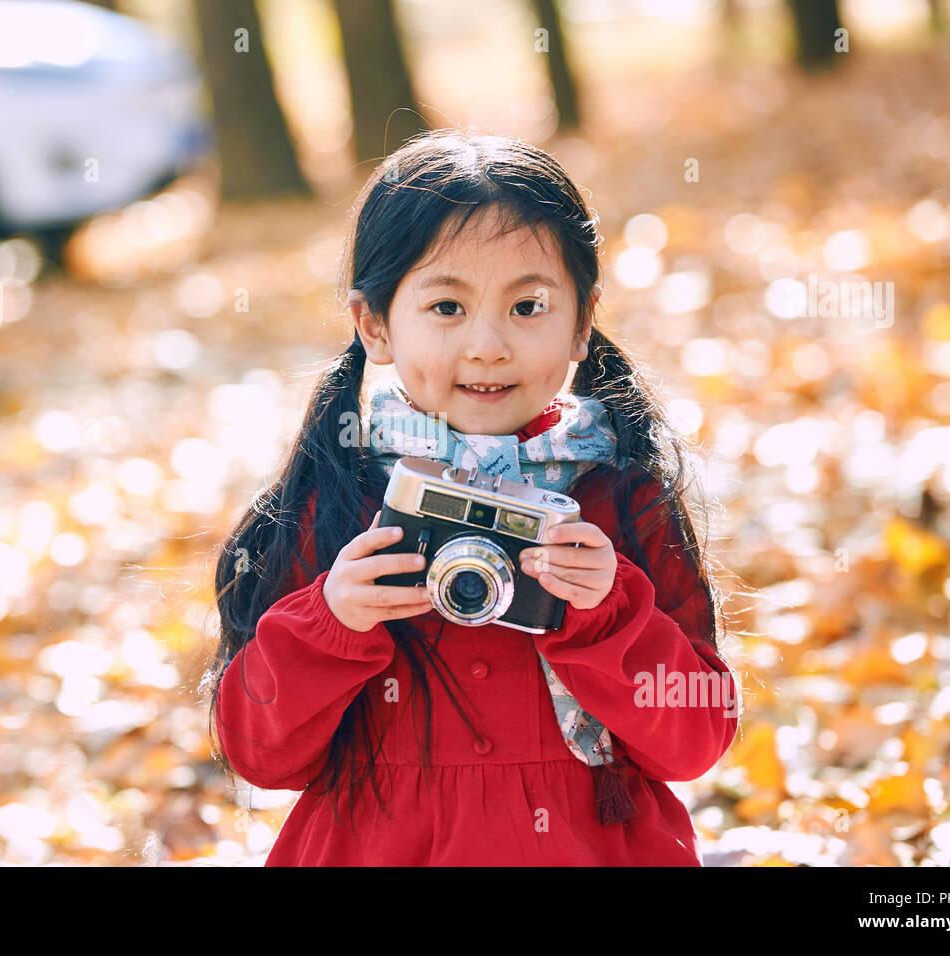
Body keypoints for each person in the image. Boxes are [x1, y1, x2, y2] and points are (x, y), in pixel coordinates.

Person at [204, 129, 740, 865]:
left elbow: (697, 739)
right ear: (375, 325)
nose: (488, 345)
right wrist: (331, 621)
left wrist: (607, 615)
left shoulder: (620, 499)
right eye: (447, 308)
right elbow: (259, 755)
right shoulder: (342, 498)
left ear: (582, 322)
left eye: (528, 308)